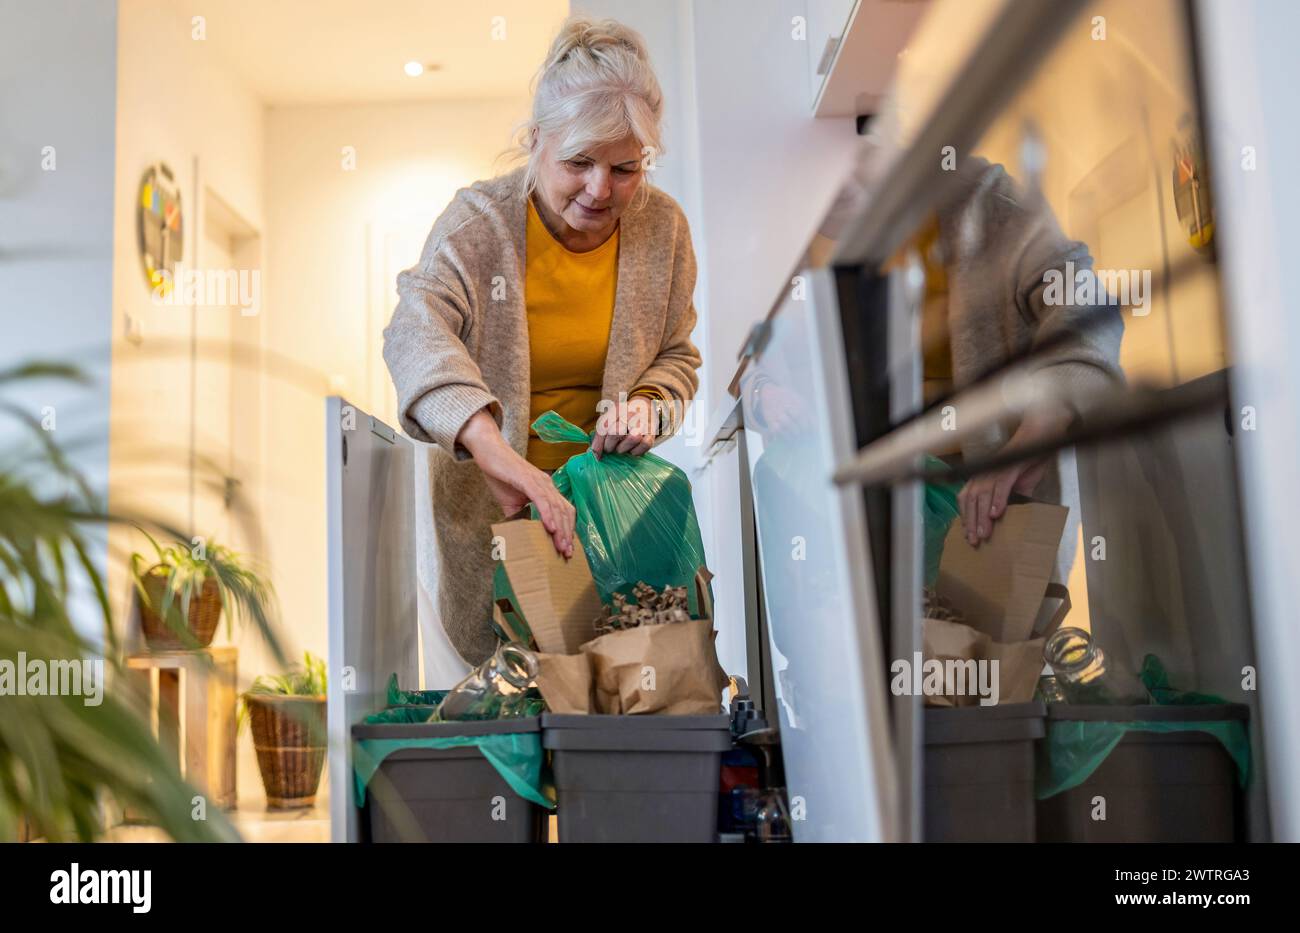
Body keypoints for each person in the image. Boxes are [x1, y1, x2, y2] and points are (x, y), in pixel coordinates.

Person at [383, 15, 702, 668]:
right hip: (490, 523)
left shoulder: (662, 229)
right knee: (504, 702)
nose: (599, 189)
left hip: (612, 526)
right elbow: (414, 327)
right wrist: (493, 450)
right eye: (578, 162)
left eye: (625, 168)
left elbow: (678, 358)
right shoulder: (481, 222)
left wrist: (649, 404)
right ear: (535, 141)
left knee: (613, 698)